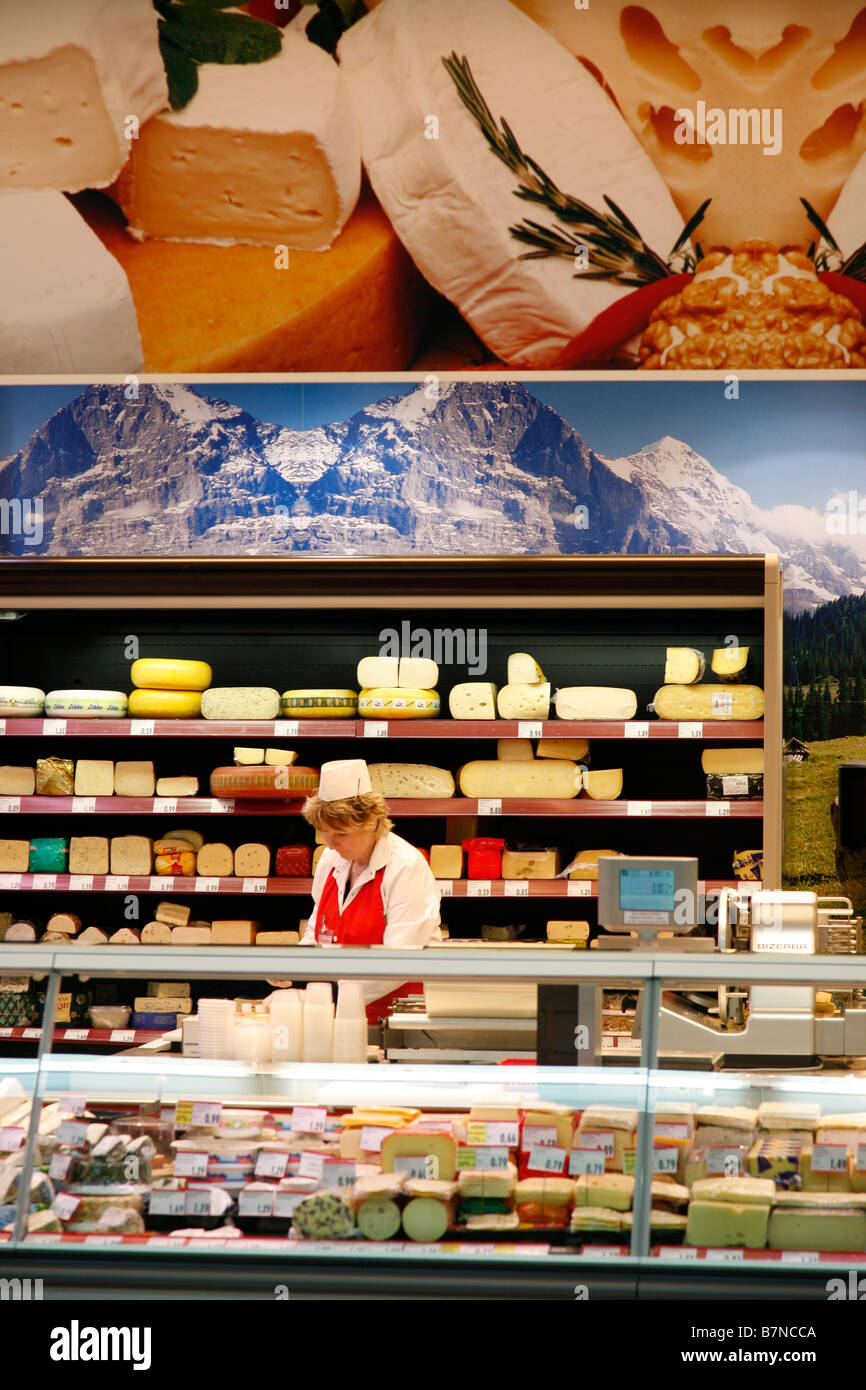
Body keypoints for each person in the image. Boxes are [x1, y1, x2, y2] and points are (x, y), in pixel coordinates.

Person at [299, 758, 442, 1010]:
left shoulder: (406, 867)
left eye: (341, 834)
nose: (330, 844)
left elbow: (399, 961)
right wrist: (289, 966)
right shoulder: (330, 862)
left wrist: (331, 998)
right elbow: (317, 931)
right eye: (325, 832)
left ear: (372, 822)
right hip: (335, 1009)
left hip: (396, 1017)